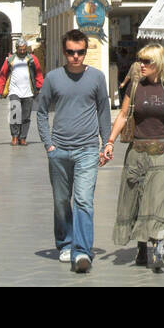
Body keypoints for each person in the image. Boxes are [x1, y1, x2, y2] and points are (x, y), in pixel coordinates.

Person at [104, 43, 164, 273]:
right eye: (140, 60)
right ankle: (141, 247)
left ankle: (160, 251)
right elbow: (122, 115)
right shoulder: (135, 88)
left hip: (163, 152)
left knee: (162, 202)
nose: (141, 65)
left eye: (146, 62)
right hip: (138, 152)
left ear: (158, 64)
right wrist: (110, 141)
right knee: (138, 200)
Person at [36, 28, 111, 274]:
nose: (75, 57)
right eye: (71, 52)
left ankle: (82, 252)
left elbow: (103, 110)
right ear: (64, 51)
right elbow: (41, 110)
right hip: (59, 149)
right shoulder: (53, 78)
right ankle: (65, 242)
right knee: (61, 201)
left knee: (83, 200)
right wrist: (48, 144)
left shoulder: (98, 78)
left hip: (88, 149)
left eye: (80, 52)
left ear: (85, 51)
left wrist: (107, 141)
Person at [0, 40, 44, 146]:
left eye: (24, 49)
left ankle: (23, 138)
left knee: (26, 116)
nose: (22, 51)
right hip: (14, 91)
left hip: (28, 92)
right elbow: (3, 74)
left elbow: (38, 72)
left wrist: (39, 85)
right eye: (20, 49)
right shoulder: (10, 60)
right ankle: (14, 136)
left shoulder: (32, 59)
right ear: (16, 49)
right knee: (15, 114)